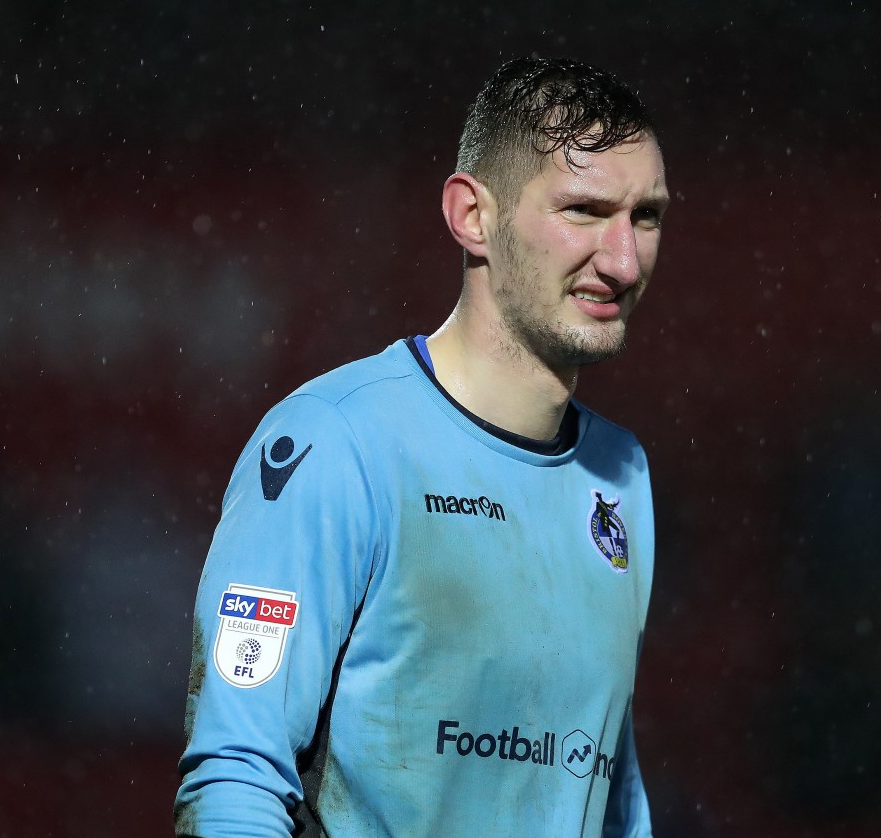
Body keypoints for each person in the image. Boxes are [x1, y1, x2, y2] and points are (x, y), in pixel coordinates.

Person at [175, 56, 668, 837]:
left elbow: (606, 787)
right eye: (583, 210)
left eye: (645, 217)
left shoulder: (621, 475)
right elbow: (237, 776)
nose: (623, 260)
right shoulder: (334, 444)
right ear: (472, 215)